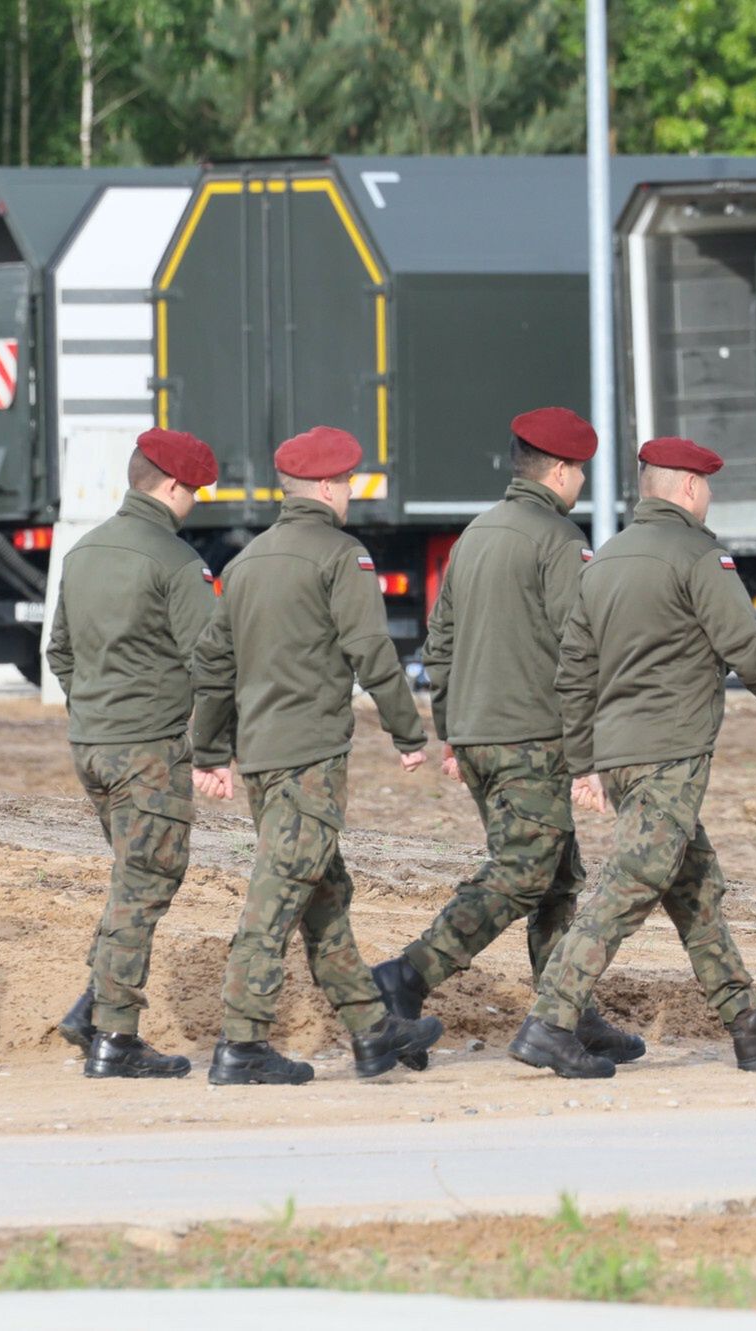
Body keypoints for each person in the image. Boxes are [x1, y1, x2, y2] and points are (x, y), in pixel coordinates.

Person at [509, 436, 756, 1080]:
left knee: (694, 885)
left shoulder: (604, 561)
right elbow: (748, 646)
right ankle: (551, 1020)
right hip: (670, 754)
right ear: (686, 488)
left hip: (622, 757)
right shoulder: (698, 557)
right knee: (627, 887)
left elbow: (574, 671)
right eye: (706, 485)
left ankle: (749, 1025)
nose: (707, 496)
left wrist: (585, 762)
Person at [373, 408, 646, 1072]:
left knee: (555, 876)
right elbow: (579, 645)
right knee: (524, 872)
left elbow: (438, 643)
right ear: (559, 470)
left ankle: (568, 1011)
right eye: (579, 469)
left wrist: (451, 727)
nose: (580, 480)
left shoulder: (475, 533)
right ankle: (406, 976)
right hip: (530, 734)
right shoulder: (555, 537)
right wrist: (590, 747)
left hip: (478, 734)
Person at [191, 426, 444, 1084]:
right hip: (310, 760)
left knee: (324, 892)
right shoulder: (340, 556)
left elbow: (215, 665)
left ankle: (371, 1030)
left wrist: (208, 748)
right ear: (330, 488)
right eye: (349, 484)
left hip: (263, 760)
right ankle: (241, 1043)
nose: (352, 495)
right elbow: (371, 650)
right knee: (276, 896)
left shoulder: (245, 563)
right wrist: (408, 733)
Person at [45, 429, 219, 1079]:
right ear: (171, 486)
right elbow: (212, 658)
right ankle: (116, 1036)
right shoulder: (174, 561)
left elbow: (59, 651)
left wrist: (94, 708)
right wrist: (217, 740)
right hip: (148, 748)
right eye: (194, 492)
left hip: (90, 745)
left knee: (130, 878)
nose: (195, 503)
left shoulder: (83, 551)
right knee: (146, 884)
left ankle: (94, 1005)